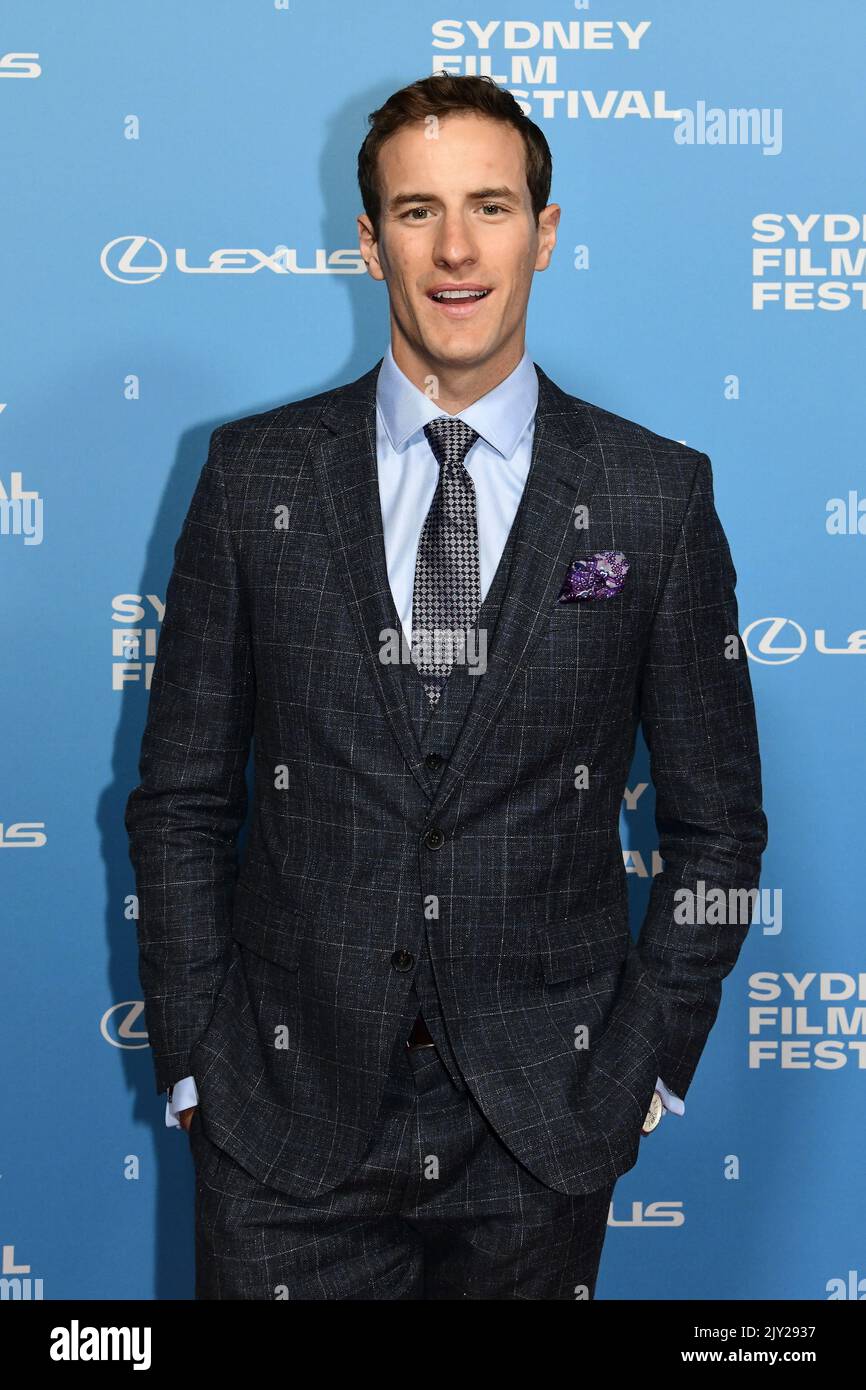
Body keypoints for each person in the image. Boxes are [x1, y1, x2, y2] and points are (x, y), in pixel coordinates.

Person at [125, 72, 767, 1300]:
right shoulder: (253, 475)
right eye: (417, 212)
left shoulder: (654, 496)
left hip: (540, 1128)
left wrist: (642, 1063)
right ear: (368, 243)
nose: (457, 248)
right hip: (282, 1118)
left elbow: (717, 829)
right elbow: (181, 800)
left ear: (546, 228)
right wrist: (201, 1056)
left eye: (491, 205)